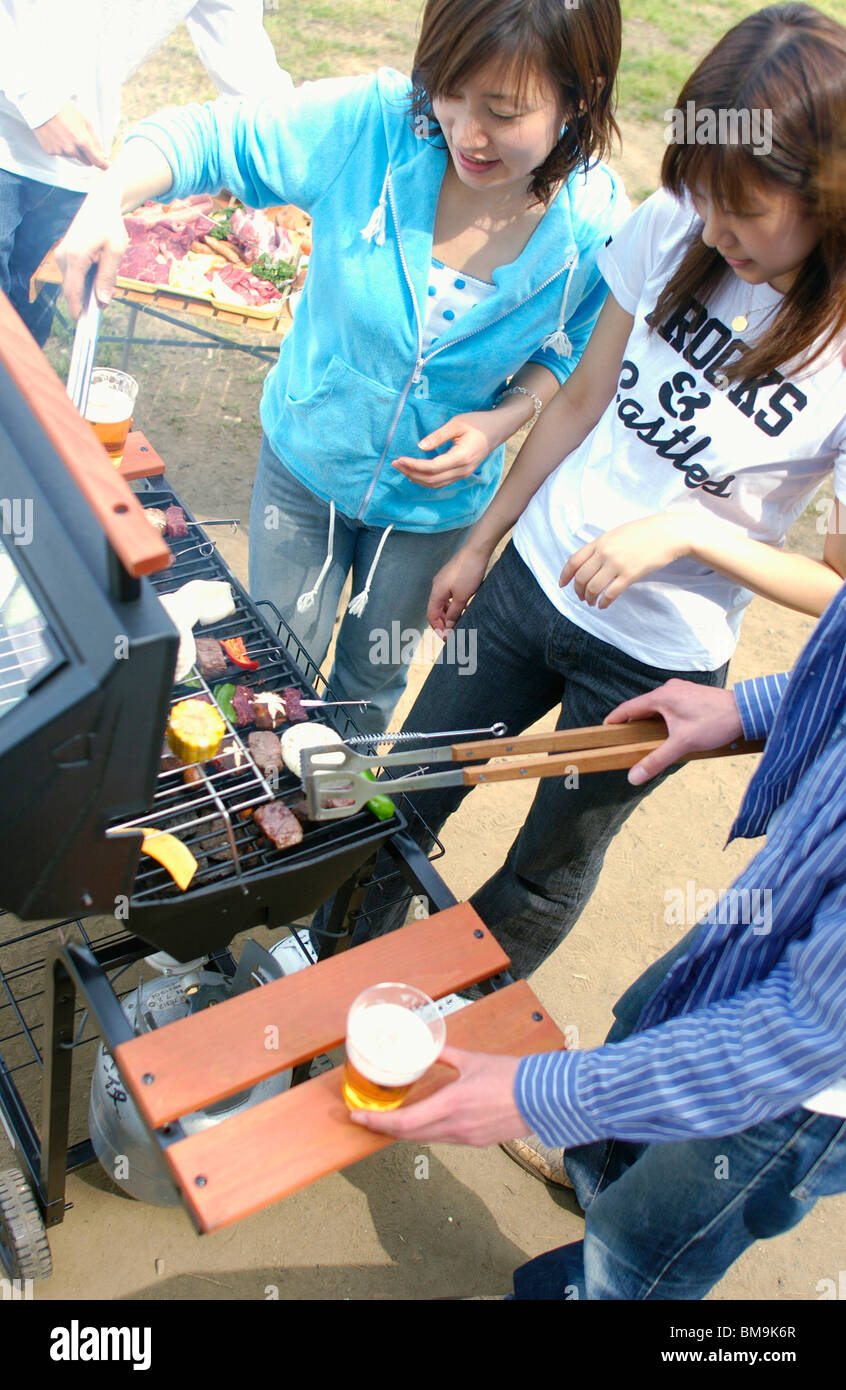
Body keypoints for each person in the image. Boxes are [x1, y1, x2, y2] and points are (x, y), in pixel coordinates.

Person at [335, 3, 846, 984]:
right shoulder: (672, 227)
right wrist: (485, 538)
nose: (717, 227)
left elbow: (839, 595)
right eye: (705, 195)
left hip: (658, 658)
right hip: (533, 585)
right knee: (401, 791)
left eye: (744, 210)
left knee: (541, 876)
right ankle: (319, 985)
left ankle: (424, 1022)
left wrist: (693, 533)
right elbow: (579, 398)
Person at [55, 0, 630, 733]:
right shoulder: (374, 125)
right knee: (268, 658)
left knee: (370, 683)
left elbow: (571, 344)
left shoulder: (597, 225)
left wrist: (503, 418)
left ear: (581, 95)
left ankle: (334, 820)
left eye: (504, 111)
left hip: (431, 515)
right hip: (305, 468)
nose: (466, 132)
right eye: (449, 91)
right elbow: (206, 135)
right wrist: (110, 195)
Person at [351, 576, 846, 1300]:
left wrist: (541, 1092)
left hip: (803, 1095)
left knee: (629, 1263)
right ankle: (594, 1172)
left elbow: (797, 1036)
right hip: (776, 916)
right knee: (647, 1014)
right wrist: (750, 706)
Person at [0, 0, 292, 344]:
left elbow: (245, 61)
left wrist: (292, 151)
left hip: (74, 166)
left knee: (21, 344)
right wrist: (39, 101)